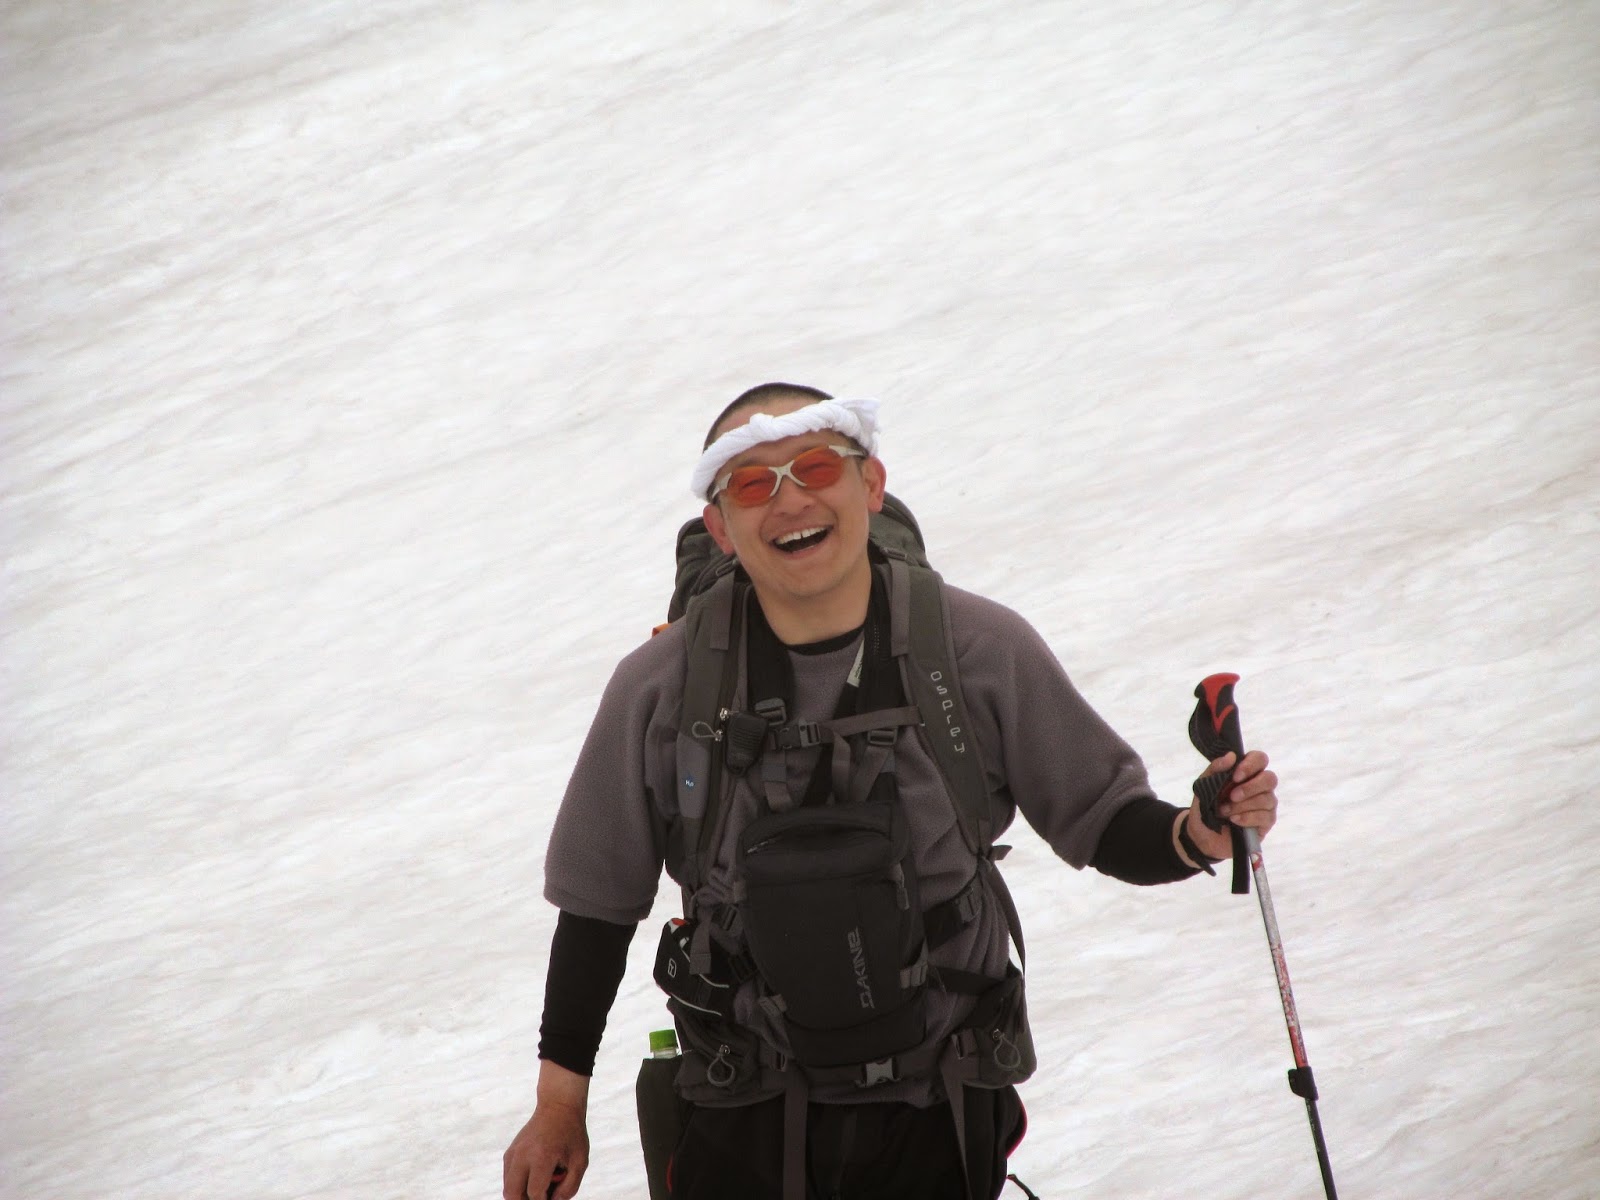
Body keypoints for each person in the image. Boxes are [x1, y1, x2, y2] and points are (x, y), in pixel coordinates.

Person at [502, 384, 1280, 1200]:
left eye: (814, 467)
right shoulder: (660, 690)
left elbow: (1103, 817)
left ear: (870, 486)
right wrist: (559, 1107)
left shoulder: (977, 648)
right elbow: (596, 905)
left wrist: (1200, 832)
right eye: (753, 484)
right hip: (742, 1107)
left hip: (940, 1102)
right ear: (720, 528)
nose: (790, 499)